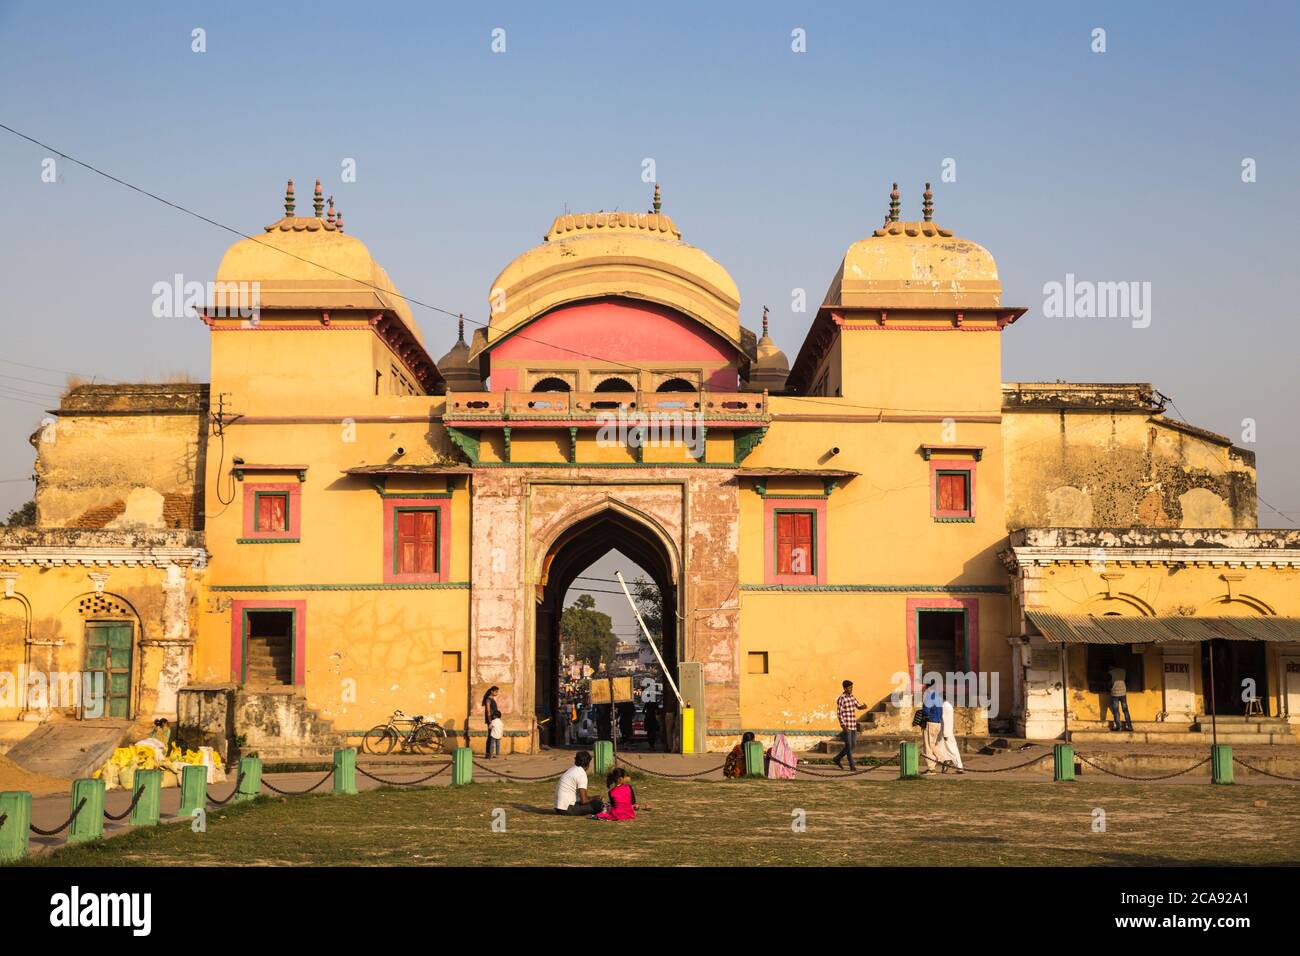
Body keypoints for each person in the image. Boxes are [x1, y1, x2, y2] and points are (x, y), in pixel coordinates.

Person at [554, 751, 604, 816]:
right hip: (567, 809)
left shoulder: (572, 769)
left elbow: (582, 798)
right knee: (598, 805)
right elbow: (584, 801)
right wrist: (595, 798)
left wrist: (591, 798)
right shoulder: (581, 774)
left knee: (595, 803)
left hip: (558, 808)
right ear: (588, 763)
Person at [834, 680, 870, 771]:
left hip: (853, 725)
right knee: (848, 745)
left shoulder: (852, 697)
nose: (851, 689)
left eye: (851, 687)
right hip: (846, 726)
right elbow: (839, 713)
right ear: (845, 688)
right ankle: (852, 765)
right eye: (849, 688)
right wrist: (843, 725)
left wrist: (863, 707)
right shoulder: (841, 699)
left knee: (852, 745)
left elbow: (857, 705)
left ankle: (837, 758)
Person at [918, 680, 945, 774]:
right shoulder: (938, 696)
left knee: (928, 747)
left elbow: (926, 711)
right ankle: (943, 760)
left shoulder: (928, 696)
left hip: (930, 723)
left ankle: (931, 768)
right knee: (932, 744)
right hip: (938, 722)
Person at [934, 694, 965, 774]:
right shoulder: (946, 705)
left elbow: (946, 721)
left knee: (952, 750)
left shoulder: (945, 707)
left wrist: (946, 733)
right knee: (938, 749)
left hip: (946, 732)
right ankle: (945, 762)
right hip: (944, 732)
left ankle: (959, 766)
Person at [1108, 665, 1134, 732]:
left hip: (1115, 693)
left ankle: (1119, 727)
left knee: (1116, 711)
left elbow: (1109, 682)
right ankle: (1130, 726)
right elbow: (1127, 680)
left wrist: (1110, 688)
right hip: (1123, 693)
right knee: (1125, 710)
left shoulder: (1111, 672)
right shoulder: (1123, 671)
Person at [482, 686, 502, 759]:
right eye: (496, 691)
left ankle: (489, 753)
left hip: (494, 719)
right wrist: (490, 720)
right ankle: (488, 753)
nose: (497, 693)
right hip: (491, 720)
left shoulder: (492, 699)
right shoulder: (488, 699)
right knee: (491, 736)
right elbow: (488, 710)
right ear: (492, 691)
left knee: (491, 736)